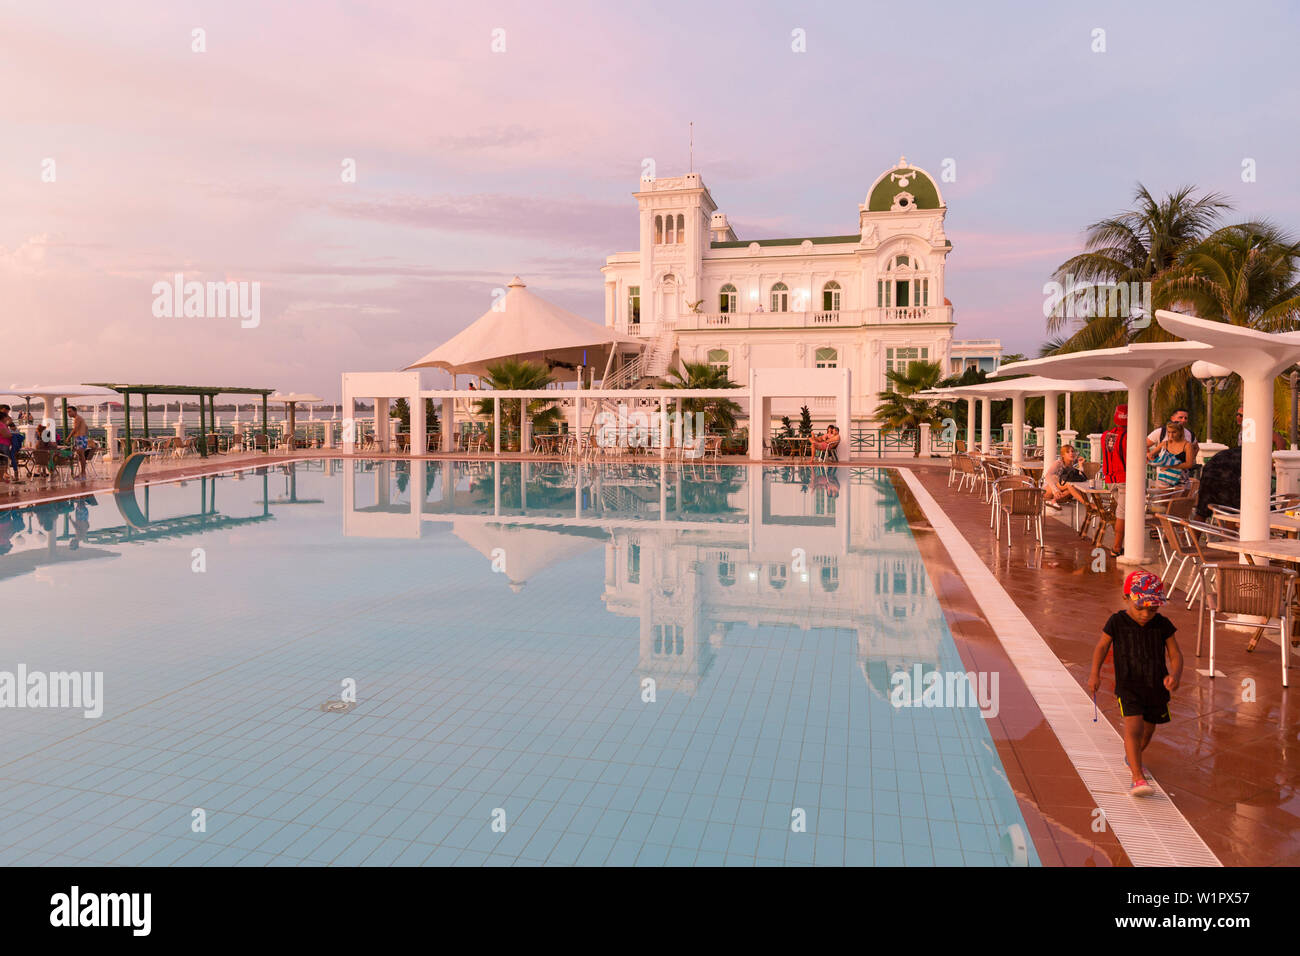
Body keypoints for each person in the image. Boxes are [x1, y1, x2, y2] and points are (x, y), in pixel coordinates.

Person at [1087, 572, 1183, 797]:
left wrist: (1175, 675)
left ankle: (1132, 758)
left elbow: (1175, 653)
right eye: (1140, 608)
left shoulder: (1163, 625)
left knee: (1148, 730)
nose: (1146, 614)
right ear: (1126, 598)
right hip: (1128, 685)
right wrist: (1095, 674)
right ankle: (1137, 776)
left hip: (1156, 686)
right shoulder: (1116, 622)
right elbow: (1101, 647)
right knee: (1134, 727)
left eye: (1152, 609)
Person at [1100, 404, 1127, 554]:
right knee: (1122, 513)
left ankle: (1123, 544)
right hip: (1124, 479)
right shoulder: (1129, 437)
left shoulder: (1106, 435)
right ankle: (1116, 547)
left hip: (1110, 479)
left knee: (1122, 511)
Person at [1195, 446, 1242, 520]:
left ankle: (1193, 531)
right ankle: (1227, 531)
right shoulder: (1249, 455)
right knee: (1232, 513)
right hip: (1226, 478)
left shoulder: (1226, 454)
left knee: (1201, 512)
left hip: (1210, 475)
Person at [1147, 420, 1195, 487]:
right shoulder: (1165, 443)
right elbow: (1150, 455)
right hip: (1164, 478)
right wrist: (1157, 462)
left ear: (1180, 432)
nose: (1170, 435)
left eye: (1174, 432)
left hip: (1182, 480)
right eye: (1169, 432)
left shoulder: (1187, 445)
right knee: (1164, 497)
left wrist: (1169, 466)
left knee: (1179, 497)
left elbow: (1189, 464)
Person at [1042, 443, 1089, 509]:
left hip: (1060, 494)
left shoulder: (1073, 464)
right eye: (1068, 452)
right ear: (1063, 455)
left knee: (1074, 486)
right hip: (1049, 490)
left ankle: (1053, 501)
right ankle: (1088, 505)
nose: (1071, 453)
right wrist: (1055, 490)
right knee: (1069, 484)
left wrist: (1080, 465)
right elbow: (1047, 475)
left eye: (1072, 451)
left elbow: (1079, 477)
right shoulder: (1058, 463)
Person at [68, 406, 89, 479]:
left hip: (80, 438)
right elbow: (86, 427)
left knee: (81, 456)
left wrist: (68, 438)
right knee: (80, 456)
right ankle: (82, 473)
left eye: (70, 411)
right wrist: (85, 436)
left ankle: (83, 473)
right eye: (68, 412)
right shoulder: (80, 418)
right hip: (81, 438)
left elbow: (75, 429)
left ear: (75, 411)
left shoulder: (77, 418)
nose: (68, 413)